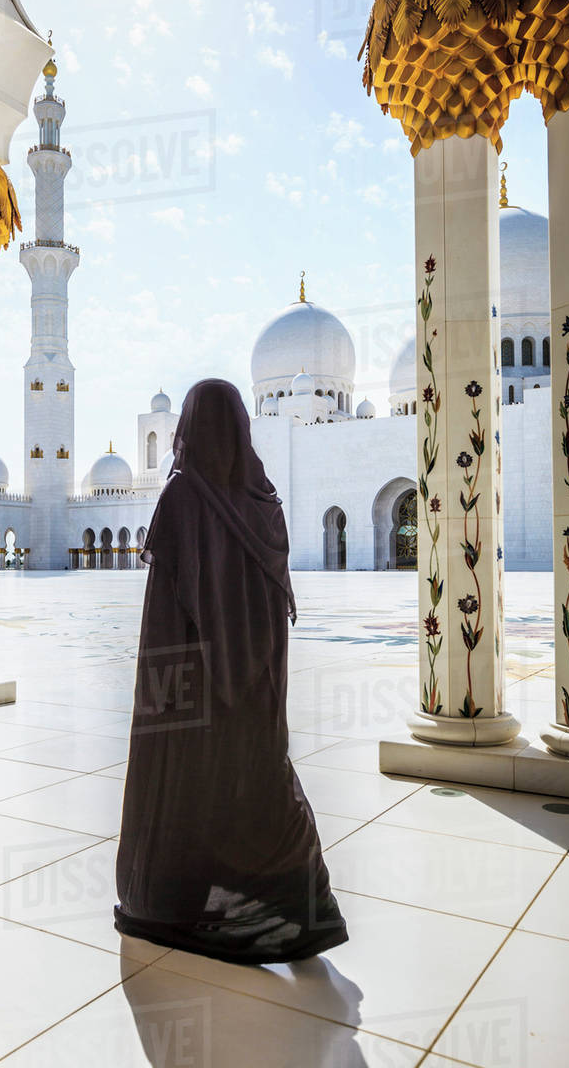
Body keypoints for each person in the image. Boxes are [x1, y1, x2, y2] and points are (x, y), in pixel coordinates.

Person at [113, 378, 348, 964]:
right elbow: (272, 605)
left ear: (188, 428)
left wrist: (163, 694)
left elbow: (165, 610)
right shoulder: (264, 501)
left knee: (192, 786)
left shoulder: (182, 497)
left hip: (193, 684)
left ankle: (180, 898)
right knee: (261, 783)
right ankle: (299, 911)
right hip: (259, 682)